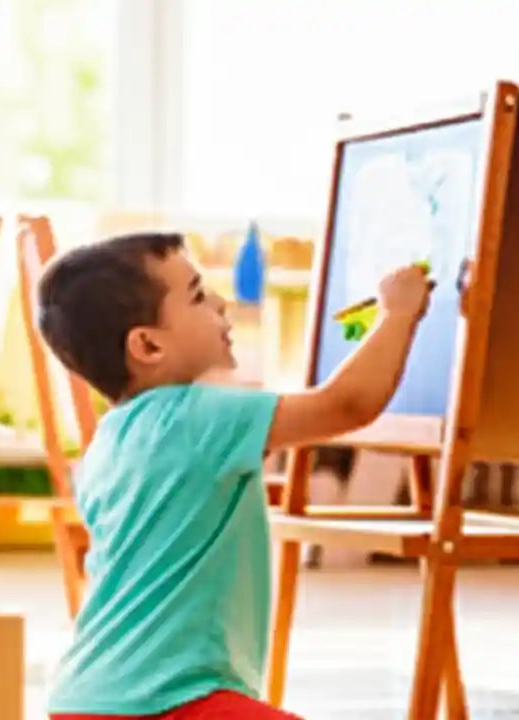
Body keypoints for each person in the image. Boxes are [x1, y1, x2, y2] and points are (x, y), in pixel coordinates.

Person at [35, 233, 431, 719]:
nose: (221, 302)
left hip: (86, 696)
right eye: (199, 295)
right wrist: (398, 314)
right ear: (148, 344)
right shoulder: (199, 416)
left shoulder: (108, 442)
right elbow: (347, 403)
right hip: (170, 699)